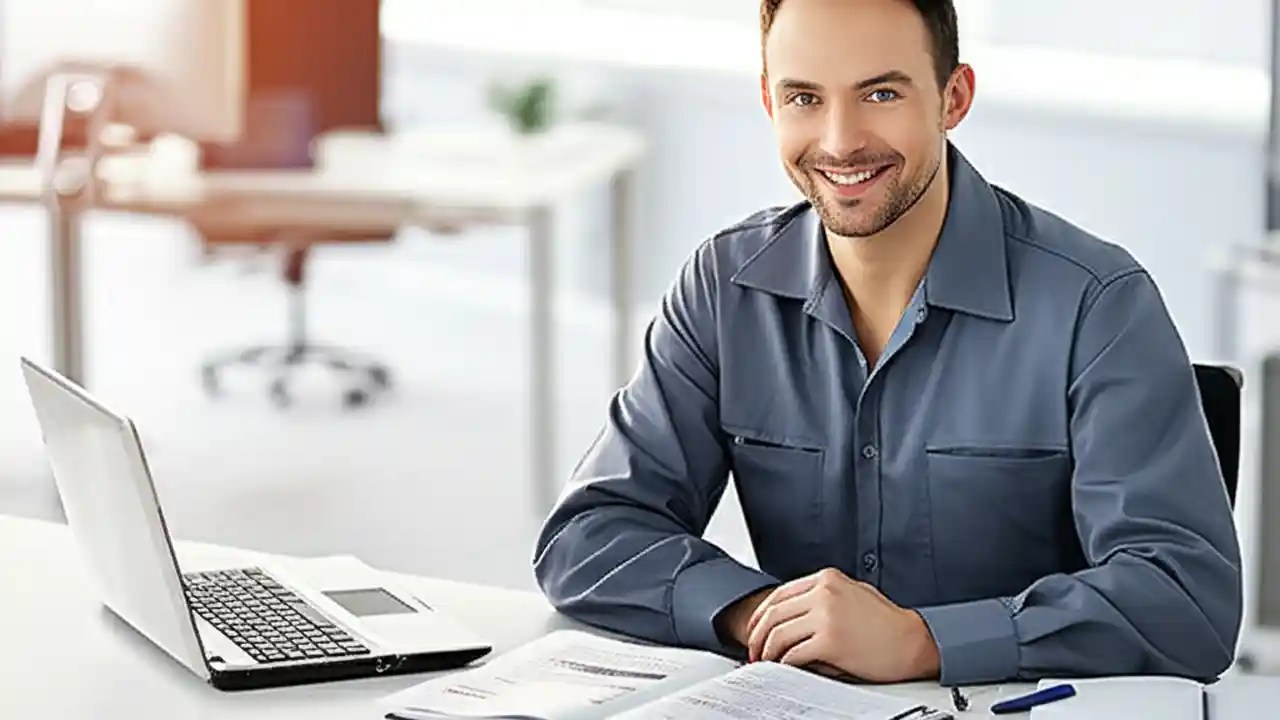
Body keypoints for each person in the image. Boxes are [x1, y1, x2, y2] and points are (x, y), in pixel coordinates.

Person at [532, 0, 1242, 686]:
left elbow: (1187, 602)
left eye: (879, 93)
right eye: (805, 97)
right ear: (768, 100)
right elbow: (587, 537)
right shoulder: (725, 288)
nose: (840, 141)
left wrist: (923, 641)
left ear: (953, 97)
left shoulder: (1098, 303)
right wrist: (758, 615)